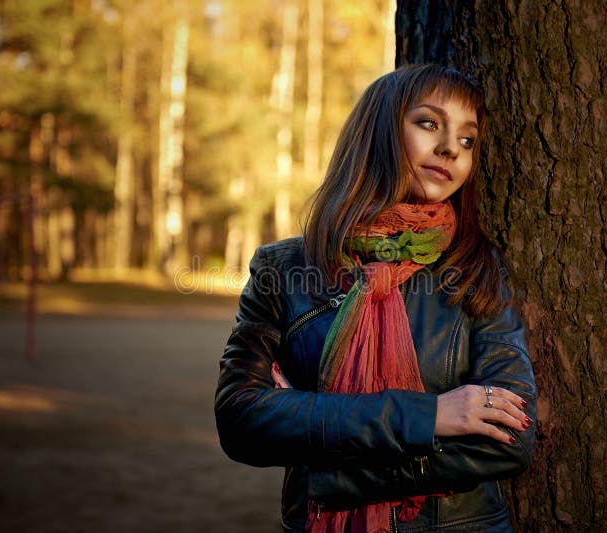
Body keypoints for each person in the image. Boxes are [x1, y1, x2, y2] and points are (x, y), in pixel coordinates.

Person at [215, 64, 537, 533]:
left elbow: (509, 438)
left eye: (468, 140)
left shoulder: (476, 266)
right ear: (379, 131)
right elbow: (241, 418)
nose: (451, 147)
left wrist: (329, 471)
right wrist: (431, 415)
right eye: (429, 123)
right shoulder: (283, 269)